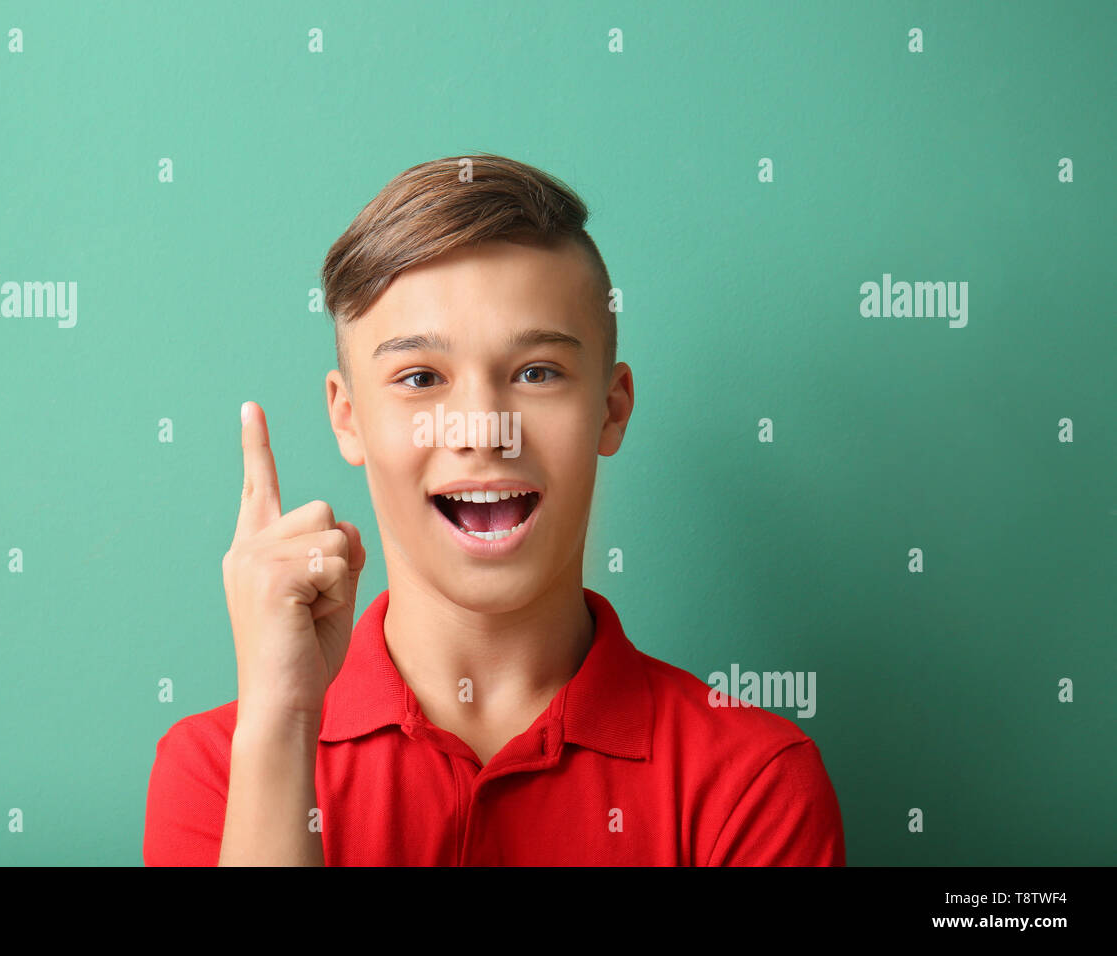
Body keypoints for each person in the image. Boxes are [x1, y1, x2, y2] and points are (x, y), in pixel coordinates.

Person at [143, 153, 846, 865]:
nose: (482, 429)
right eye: (420, 378)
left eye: (536, 373)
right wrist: (283, 726)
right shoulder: (219, 772)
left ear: (612, 407)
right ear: (348, 418)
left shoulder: (754, 786)